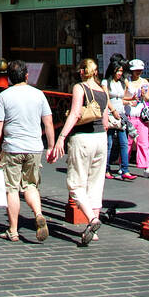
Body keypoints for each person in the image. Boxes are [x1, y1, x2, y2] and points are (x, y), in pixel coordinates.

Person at [48, 57, 118, 246]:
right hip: (101, 139)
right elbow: (105, 121)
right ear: (95, 72)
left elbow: (76, 113)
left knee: (76, 184)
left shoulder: (80, 88)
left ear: (82, 72)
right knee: (96, 184)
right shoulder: (103, 91)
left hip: (83, 139)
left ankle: (92, 219)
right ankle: (92, 228)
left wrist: (62, 136)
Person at [0, 59, 55, 242]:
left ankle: (13, 230)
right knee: (31, 186)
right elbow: (48, 122)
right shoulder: (38, 94)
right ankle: (38, 214)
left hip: (12, 147)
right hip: (34, 147)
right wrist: (51, 146)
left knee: (12, 189)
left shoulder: (5, 96)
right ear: (27, 75)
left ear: (9, 78)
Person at [103, 61, 133, 180]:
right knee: (109, 143)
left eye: (121, 71)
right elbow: (106, 98)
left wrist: (131, 100)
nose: (120, 73)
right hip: (111, 115)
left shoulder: (121, 83)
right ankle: (106, 168)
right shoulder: (106, 82)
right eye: (118, 71)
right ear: (113, 71)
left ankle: (125, 169)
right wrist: (113, 110)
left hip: (121, 115)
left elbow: (123, 98)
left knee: (124, 143)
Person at [125, 58, 149, 177]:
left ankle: (147, 165)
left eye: (140, 70)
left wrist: (143, 94)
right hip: (129, 115)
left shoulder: (144, 82)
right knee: (128, 142)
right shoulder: (127, 82)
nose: (138, 72)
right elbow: (123, 97)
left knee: (143, 141)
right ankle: (124, 164)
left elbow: (147, 98)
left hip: (141, 115)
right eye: (136, 70)